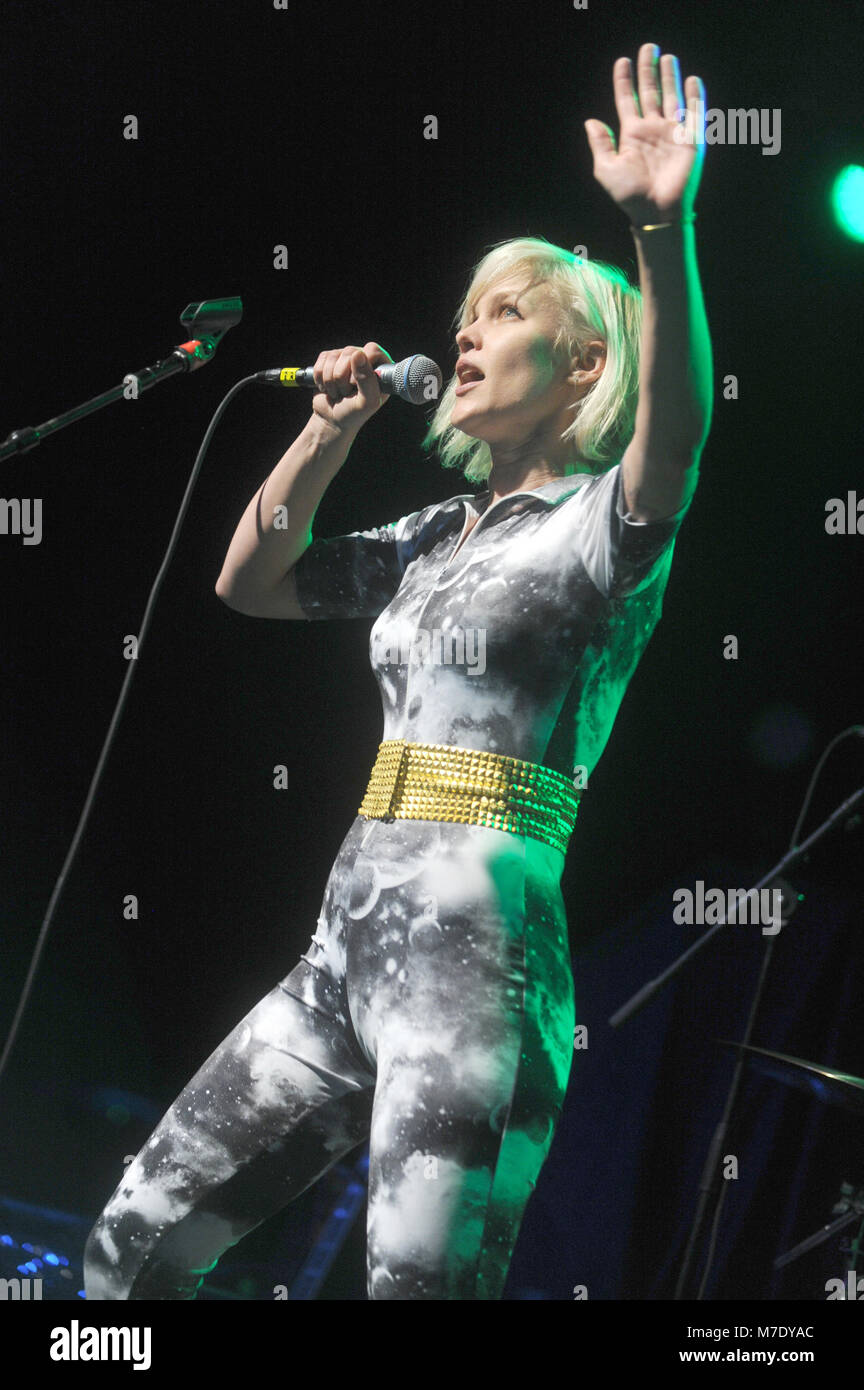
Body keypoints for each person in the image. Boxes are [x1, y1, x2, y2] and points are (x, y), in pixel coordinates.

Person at [83, 43, 711, 1301]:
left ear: (585, 364)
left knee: (418, 1288)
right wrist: (327, 431)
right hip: (342, 948)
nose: (467, 336)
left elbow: (678, 434)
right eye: (466, 315)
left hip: (480, 961)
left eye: (507, 315)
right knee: (129, 1252)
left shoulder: (602, 527)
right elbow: (250, 582)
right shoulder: (431, 535)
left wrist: (659, 236)